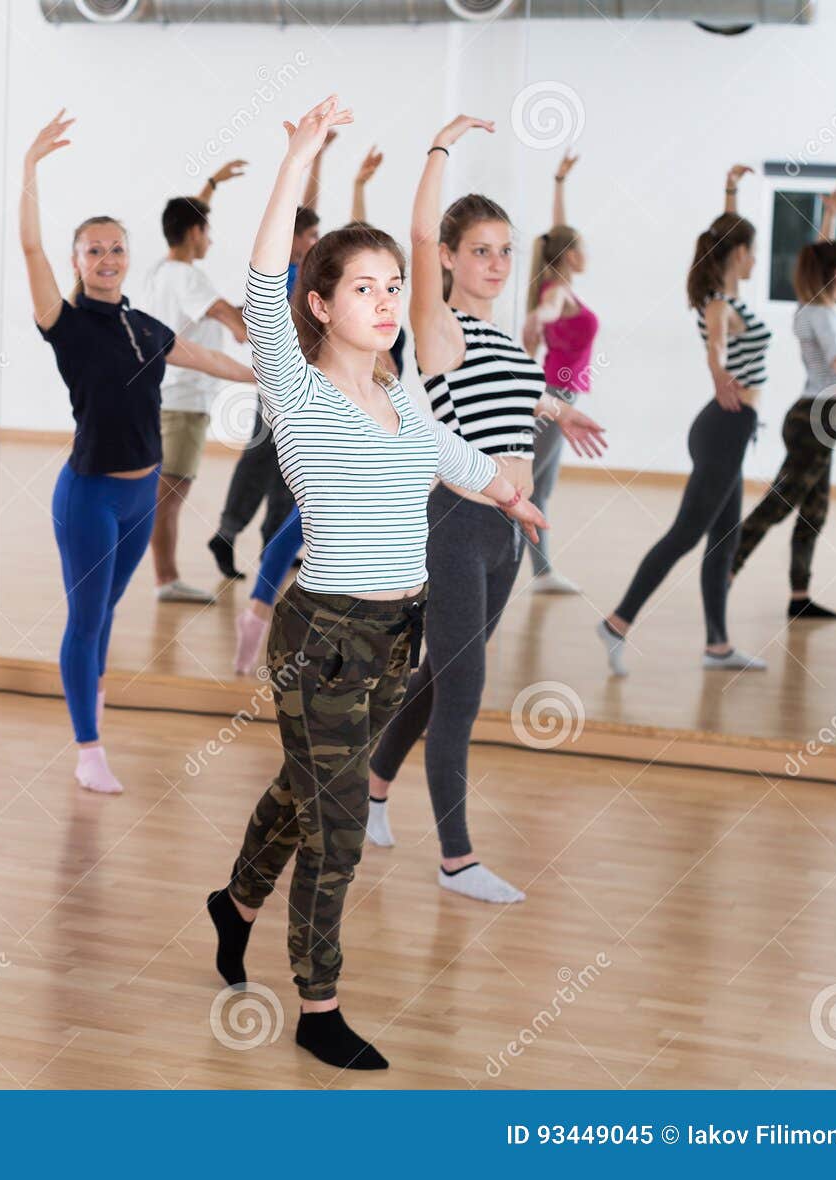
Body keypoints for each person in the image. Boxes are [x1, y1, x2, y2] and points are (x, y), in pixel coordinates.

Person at [205, 97, 545, 1071]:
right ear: (321, 306)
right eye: (364, 288)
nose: (389, 300)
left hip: (397, 634)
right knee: (339, 830)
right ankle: (318, 1006)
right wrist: (300, 156)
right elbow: (262, 278)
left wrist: (505, 488)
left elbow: (451, 455)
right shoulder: (297, 385)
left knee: (307, 788)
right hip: (322, 637)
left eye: (395, 284)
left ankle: (231, 902)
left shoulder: (397, 394)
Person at [365, 116, 606, 905]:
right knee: (464, 692)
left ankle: (371, 782)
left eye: (506, 250)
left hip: (505, 531)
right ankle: (457, 860)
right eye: (480, 250)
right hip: (455, 525)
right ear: (446, 258)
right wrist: (438, 147)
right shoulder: (433, 324)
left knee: (441, 676)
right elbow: (412, 228)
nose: (498, 263)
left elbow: (514, 393)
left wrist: (559, 410)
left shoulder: (498, 336)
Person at [21, 109, 255, 796]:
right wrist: (29, 170)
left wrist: (279, 372)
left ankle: (87, 703)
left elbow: (210, 357)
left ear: (128, 257)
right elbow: (31, 250)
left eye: (115, 249)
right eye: (93, 250)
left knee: (108, 614)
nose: (106, 259)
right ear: (77, 261)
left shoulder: (144, 324)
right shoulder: (64, 324)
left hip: (139, 495)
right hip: (90, 496)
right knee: (87, 619)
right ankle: (88, 747)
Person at [233, 142, 403, 675]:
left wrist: (344, 176)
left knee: (302, 523)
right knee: (297, 520)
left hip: (351, 403)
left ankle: (265, 614)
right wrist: (300, 162)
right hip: (306, 407)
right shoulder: (295, 282)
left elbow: (357, 249)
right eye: (305, 236)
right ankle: (264, 614)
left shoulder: (339, 280)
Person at [599, 166, 770, 676]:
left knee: (724, 539)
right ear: (739, 254)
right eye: (752, 249)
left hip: (729, 429)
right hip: (724, 426)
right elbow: (716, 345)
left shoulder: (727, 296)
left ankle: (717, 646)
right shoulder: (719, 304)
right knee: (686, 534)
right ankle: (617, 621)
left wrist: (731, 191)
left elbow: (726, 229)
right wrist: (718, 375)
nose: (757, 258)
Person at [207, 133, 338, 581]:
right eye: (312, 235)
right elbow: (296, 213)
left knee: (291, 468)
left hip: (306, 385)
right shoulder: (281, 265)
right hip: (278, 385)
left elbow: (310, 206)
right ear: (296, 237)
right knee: (262, 459)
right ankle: (229, 533)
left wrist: (319, 157)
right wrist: (307, 158)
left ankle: (274, 545)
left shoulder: (310, 271)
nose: (317, 240)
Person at [729, 190, 836, 620]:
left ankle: (799, 597)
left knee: (813, 511)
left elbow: (820, 260)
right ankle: (725, 570)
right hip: (821, 415)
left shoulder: (812, 307)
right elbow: (835, 351)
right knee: (781, 503)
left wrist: (831, 215)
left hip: (812, 415)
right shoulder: (821, 316)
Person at [144, 168, 250, 605]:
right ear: (193, 233)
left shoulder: (161, 271)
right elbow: (230, 318)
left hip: (169, 396)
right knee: (170, 494)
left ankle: (164, 577)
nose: (211, 240)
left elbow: (188, 216)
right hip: (183, 400)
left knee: (167, 491)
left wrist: (212, 185)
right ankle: (166, 580)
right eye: (207, 231)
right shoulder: (190, 278)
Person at [521, 149, 599, 594]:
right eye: (581, 247)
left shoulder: (560, 281)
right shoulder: (556, 292)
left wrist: (559, 182)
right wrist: (541, 319)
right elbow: (549, 307)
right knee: (533, 486)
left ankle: (542, 570)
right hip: (556, 396)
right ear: (570, 255)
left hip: (563, 395)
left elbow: (556, 233)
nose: (587, 252)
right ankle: (537, 569)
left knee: (543, 486)